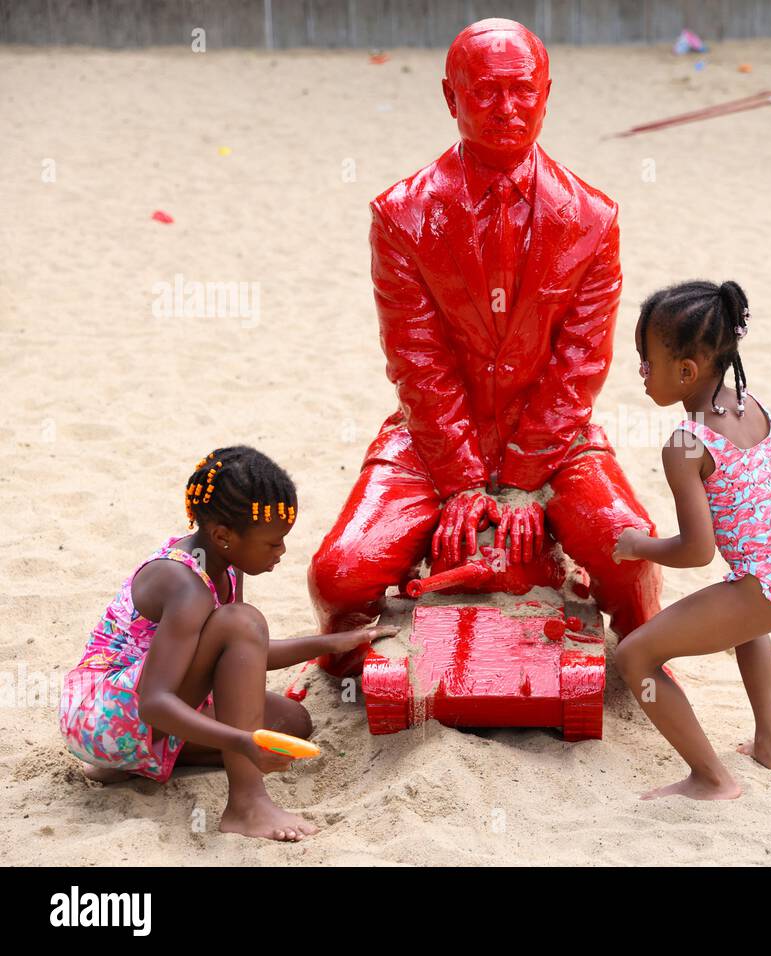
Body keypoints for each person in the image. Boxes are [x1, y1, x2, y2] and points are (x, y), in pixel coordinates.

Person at [308, 18, 661, 676]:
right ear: (451, 97)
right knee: (339, 576)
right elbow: (417, 361)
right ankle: (359, 674)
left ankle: (643, 668)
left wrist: (524, 484)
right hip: (431, 435)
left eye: (523, 90)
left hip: (555, 441)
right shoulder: (403, 216)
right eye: (486, 91)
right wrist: (465, 481)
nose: (508, 108)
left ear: (547, 92)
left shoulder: (591, 219)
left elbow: (578, 369)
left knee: (632, 555)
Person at [58, 446, 396, 841]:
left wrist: (336, 642)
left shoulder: (224, 563)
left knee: (291, 724)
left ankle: (131, 764)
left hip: (133, 717)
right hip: (103, 714)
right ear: (223, 535)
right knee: (244, 623)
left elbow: (244, 655)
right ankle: (247, 804)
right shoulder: (185, 585)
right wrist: (242, 741)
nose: (282, 552)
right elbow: (155, 701)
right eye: (272, 543)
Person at [612, 281, 771, 800]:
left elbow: (697, 551)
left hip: (770, 582)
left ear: (686, 371)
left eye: (646, 362)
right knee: (745, 617)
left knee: (635, 657)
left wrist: (638, 545)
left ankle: (711, 779)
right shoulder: (751, 405)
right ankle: (770, 744)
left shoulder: (685, 444)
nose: (641, 373)